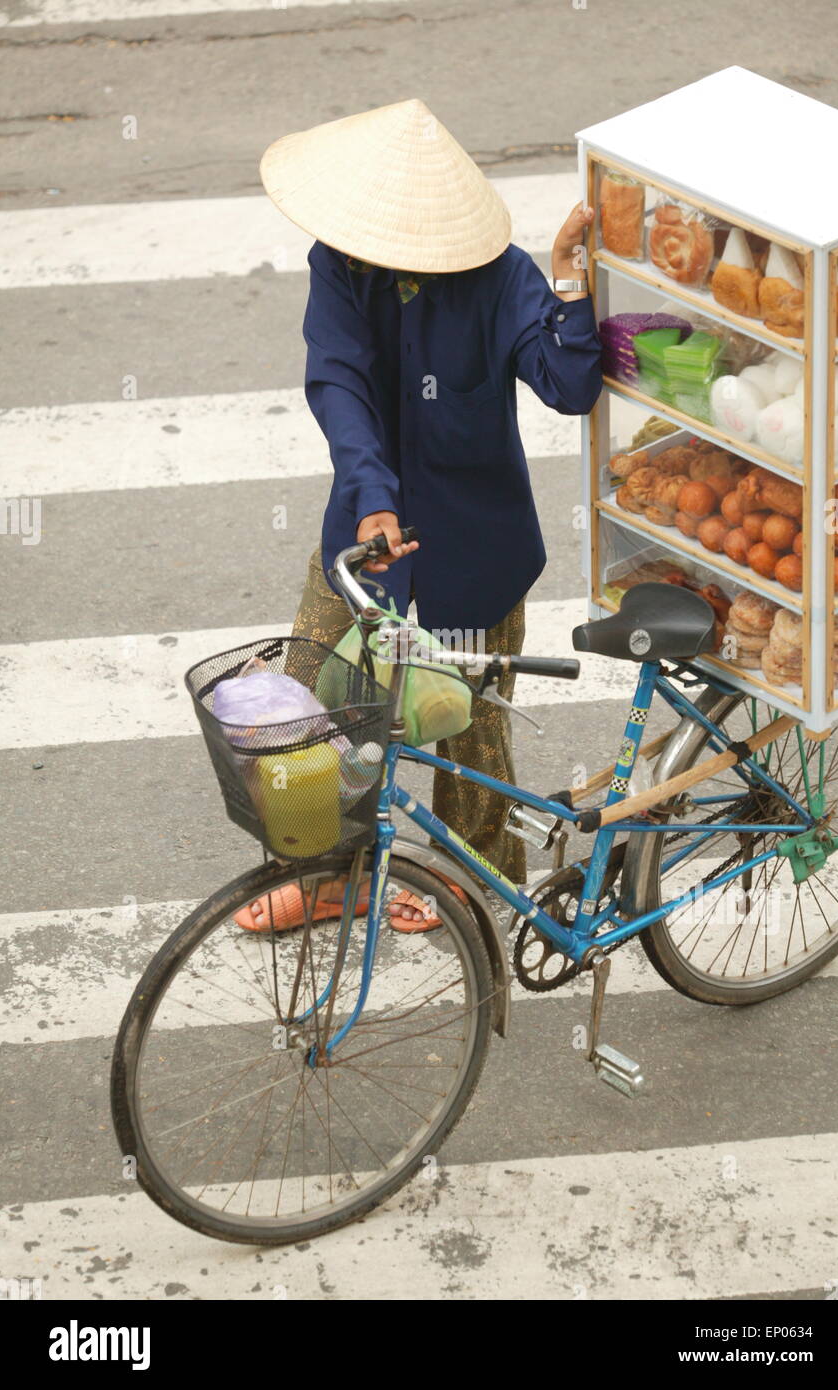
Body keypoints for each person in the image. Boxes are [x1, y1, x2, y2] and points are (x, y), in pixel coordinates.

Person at [235, 97, 601, 934]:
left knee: (470, 731)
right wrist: (373, 494)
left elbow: (570, 386)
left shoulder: (503, 277)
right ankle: (328, 875)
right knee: (304, 709)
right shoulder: (340, 264)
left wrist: (570, 278)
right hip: (364, 541)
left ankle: (474, 879)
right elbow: (338, 379)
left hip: (476, 554)